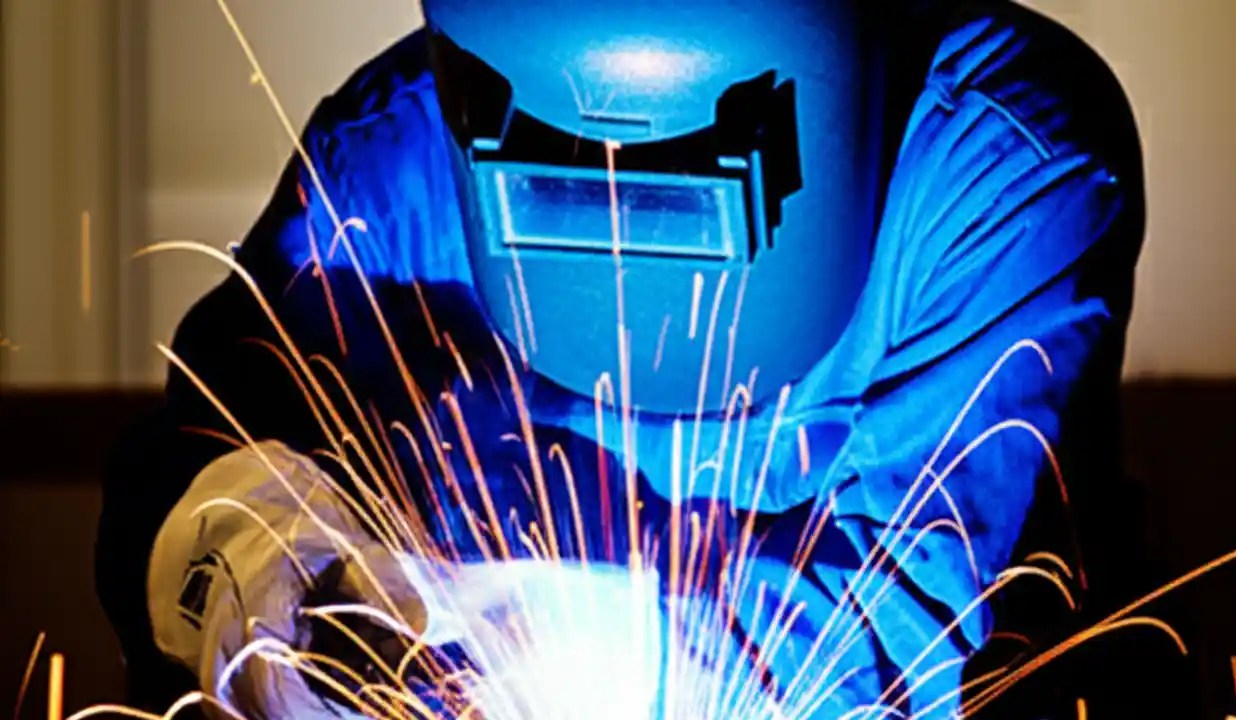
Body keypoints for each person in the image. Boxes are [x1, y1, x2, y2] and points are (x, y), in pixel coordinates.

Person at [96, 0, 1156, 716]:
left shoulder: (995, 160)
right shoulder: (392, 162)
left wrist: (548, 648)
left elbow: (908, 628)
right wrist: (253, 550)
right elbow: (199, 440)